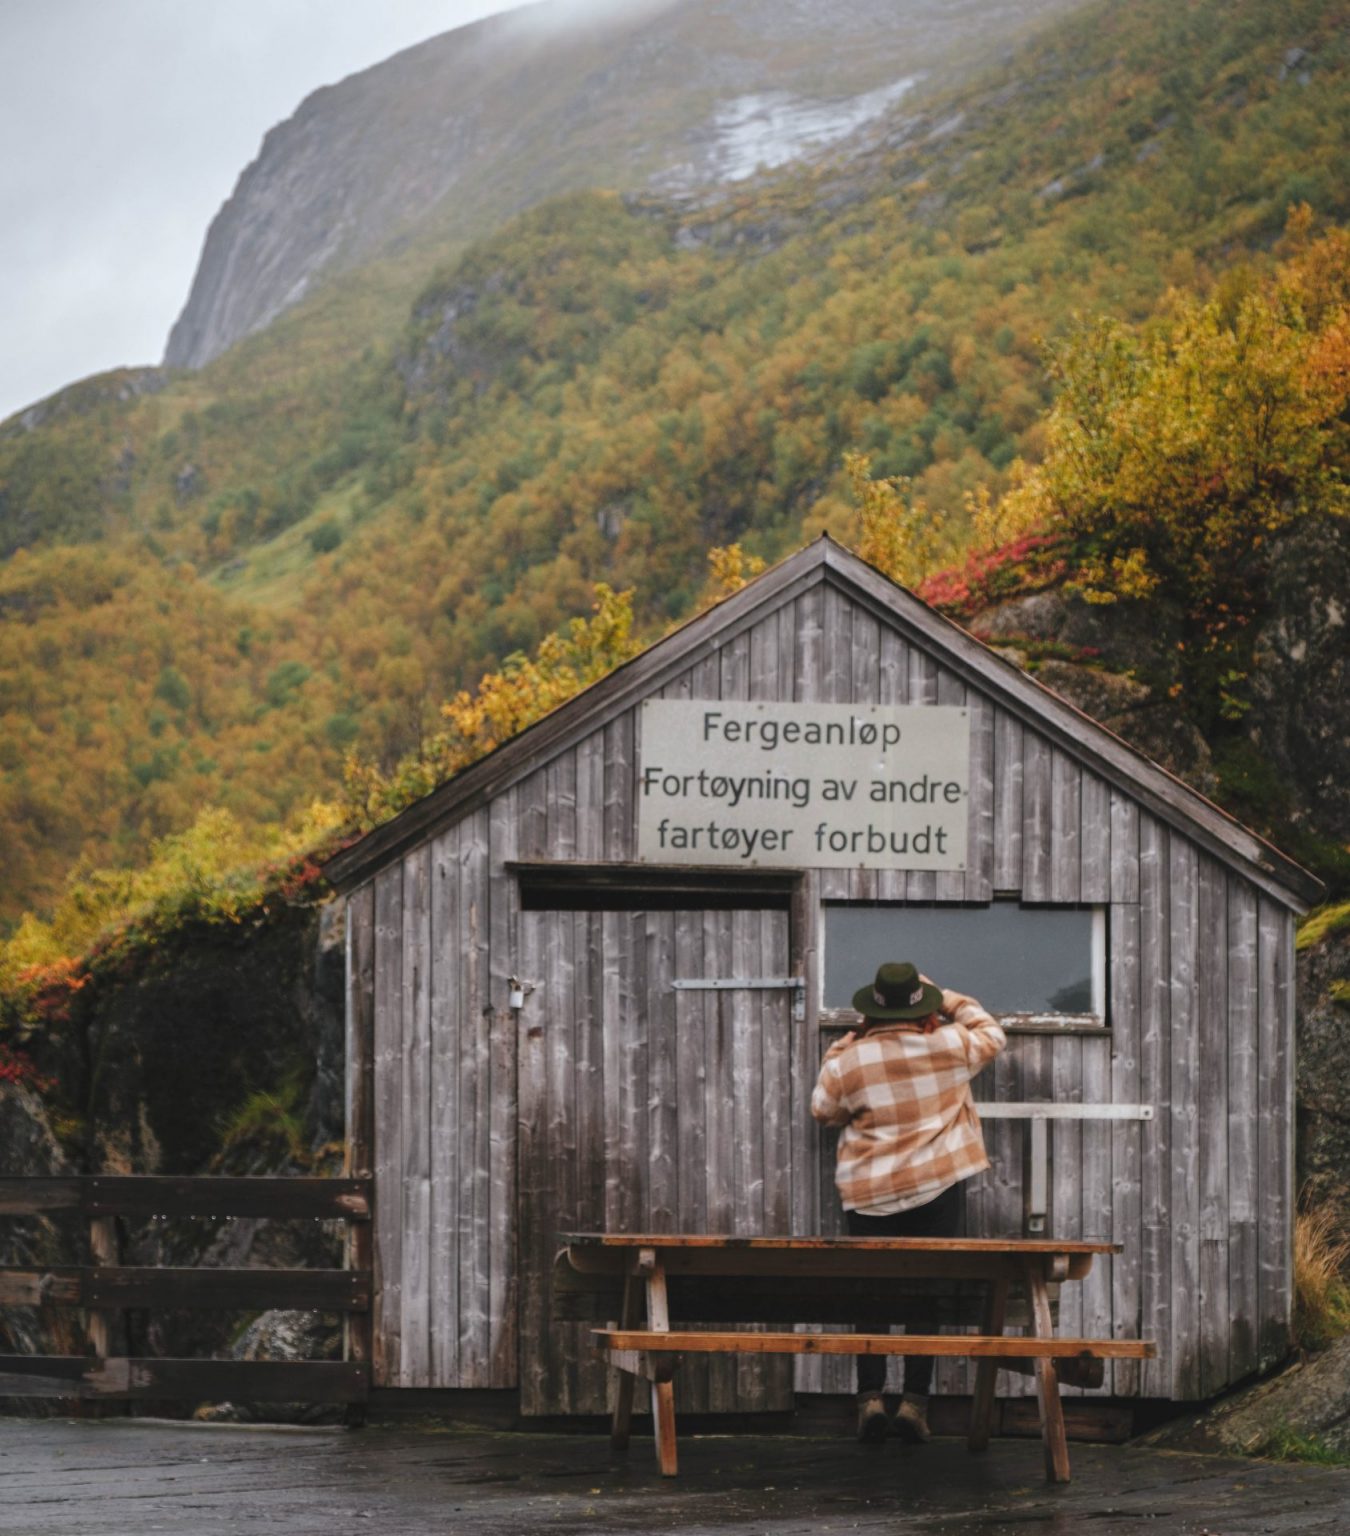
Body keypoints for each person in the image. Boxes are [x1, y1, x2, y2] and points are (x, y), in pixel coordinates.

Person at [811, 959, 1006, 1445]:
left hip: (869, 1195)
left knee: (871, 1295)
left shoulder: (849, 1060)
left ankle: (870, 1399)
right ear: (922, 1007)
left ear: (871, 1011)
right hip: (935, 1188)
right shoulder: (949, 1046)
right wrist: (946, 996)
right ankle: (915, 1405)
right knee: (927, 1293)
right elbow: (991, 1033)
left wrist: (851, 1040)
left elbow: (823, 1110)